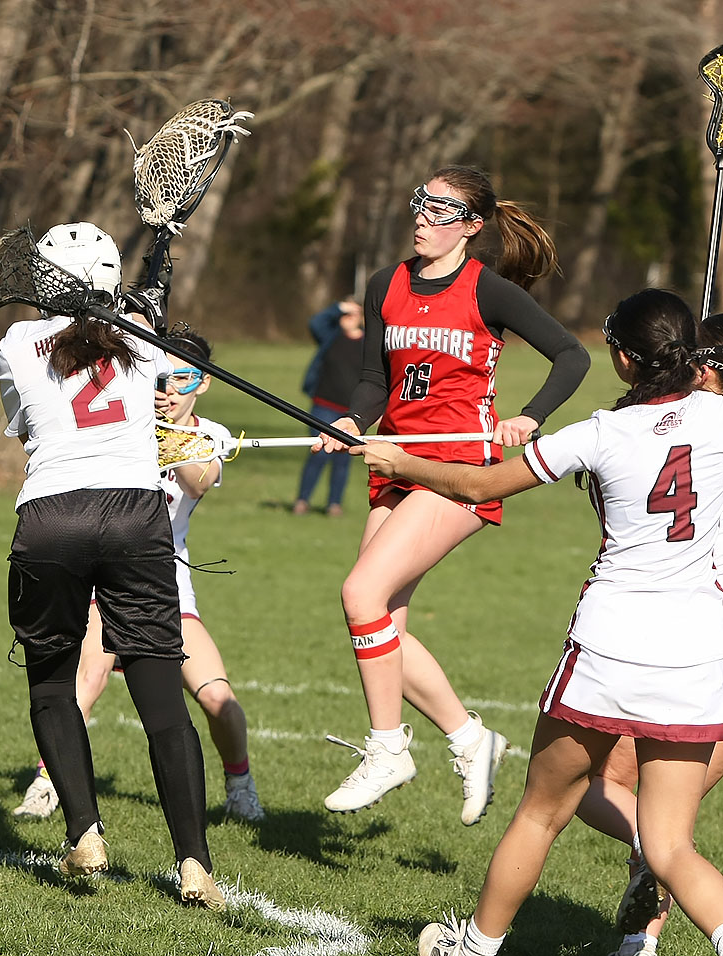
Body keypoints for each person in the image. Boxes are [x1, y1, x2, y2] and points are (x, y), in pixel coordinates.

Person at [351, 288, 723, 956]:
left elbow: (478, 487)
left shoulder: (602, 432)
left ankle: (476, 945)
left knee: (542, 809)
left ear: (624, 358)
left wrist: (399, 460)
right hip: (697, 654)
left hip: (608, 647)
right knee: (668, 846)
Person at [315, 165, 590, 824]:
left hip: (460, 467)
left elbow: (572, 355)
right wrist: (354, 419)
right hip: (395, 461)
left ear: (471, 226)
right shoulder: (386, 283)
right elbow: (374, 379)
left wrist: (530, 416)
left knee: (361, 595)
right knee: (380, 622)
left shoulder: (487, 290)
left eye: (442, 210)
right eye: (420, 203)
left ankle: (388, 747)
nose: (423, 218)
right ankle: (471, 738)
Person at [0, 221, 224, 910]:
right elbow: (142, 348)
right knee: (161, 698)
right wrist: (144, 305)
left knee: (51, 684)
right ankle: (194, 866)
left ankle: (84, 833)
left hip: (52, 516)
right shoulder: (144, 334)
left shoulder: (13, 343)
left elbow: (30, 427)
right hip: (135, 515)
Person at [13, 330, 265, 825]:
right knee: (88, 676)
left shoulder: (205, 434)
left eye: (183, 379)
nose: (168, 390)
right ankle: (46, 785)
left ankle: (240, 786)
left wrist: (173, 439)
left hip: (165, 586)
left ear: (204, 383)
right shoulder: (122, 422)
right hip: (106, 580)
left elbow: (201, 481)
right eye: (160, 377)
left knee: (218, 699)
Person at [567, 309, 723, 956]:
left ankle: (642, 937)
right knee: (648, 816)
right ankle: (639, 942)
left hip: (700, 654)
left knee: (641, 818)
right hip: (689, 645)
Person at [293, 298, 366, 516]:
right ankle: (302, 500)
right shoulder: (331, 336)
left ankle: (334, 504)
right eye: (345, 315)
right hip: (323, 407)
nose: (348, 319)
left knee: (342, 459)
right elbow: (316, 323)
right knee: (319, 453)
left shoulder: (368, 344)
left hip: (350, 413)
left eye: (353, 315)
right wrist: (339, 308)